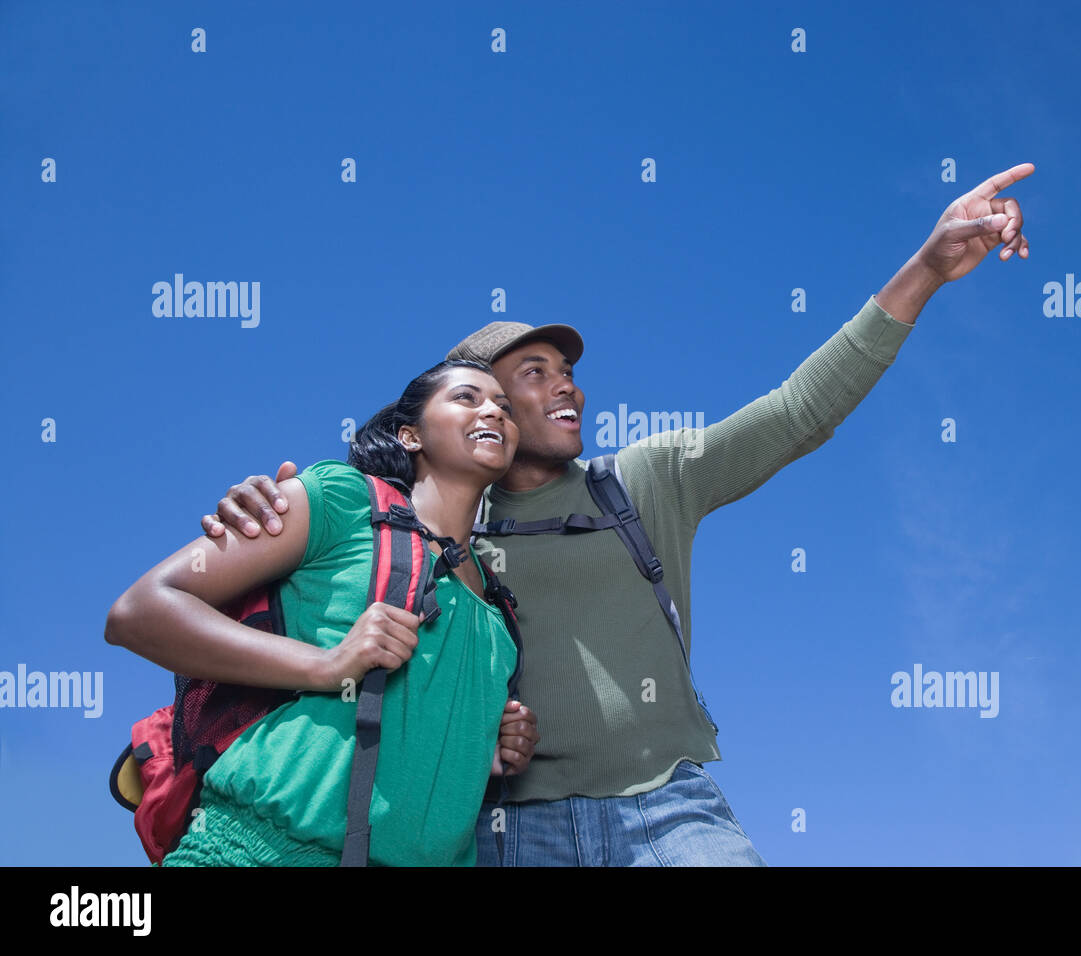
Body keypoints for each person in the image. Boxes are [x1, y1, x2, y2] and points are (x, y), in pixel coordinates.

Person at [202, 164, 1034, 865]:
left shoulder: (644, 478)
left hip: (669, 812)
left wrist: (925, 266)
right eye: (536, 372)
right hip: (504, 827)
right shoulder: (437, 536)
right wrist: (254, 511)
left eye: (568, 371)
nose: (568, 385)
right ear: (481, 404)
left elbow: (796, 412)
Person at [105, 359, 541, 866]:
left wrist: (482, 748)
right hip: (257, 852)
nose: (494, 410)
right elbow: (139, 612)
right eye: (467, 398)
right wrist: (328, 664)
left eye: (505, 408)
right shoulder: (343, 498)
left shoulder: (498, 608)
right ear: (411, 435)